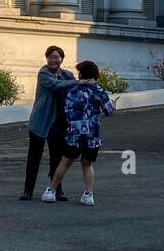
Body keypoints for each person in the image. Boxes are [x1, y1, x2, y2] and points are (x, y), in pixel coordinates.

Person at [44, 60, 116, 207]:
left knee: (65, 162)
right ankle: (88, 195)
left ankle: (51, 191)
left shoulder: (72, 90)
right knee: (87, 164)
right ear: (95, 74)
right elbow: (109, 111)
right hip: (92, 134)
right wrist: (113, 104)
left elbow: (66, 110)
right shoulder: (98, 91)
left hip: (74, 133)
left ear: (81, 74)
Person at [20, 46, 79, 201]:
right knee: (34, 157)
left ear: (62, 59)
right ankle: (28, 190)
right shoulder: (44, 73)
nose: (54, 60)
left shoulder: (67, 75)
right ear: (47, 59)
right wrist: (79, 82)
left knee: (57, 158)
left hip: (59, 122)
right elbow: (56, 85)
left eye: (57, 57)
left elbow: (74, 94)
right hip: (40, 121)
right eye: (51, 57)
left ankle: (56, 190)